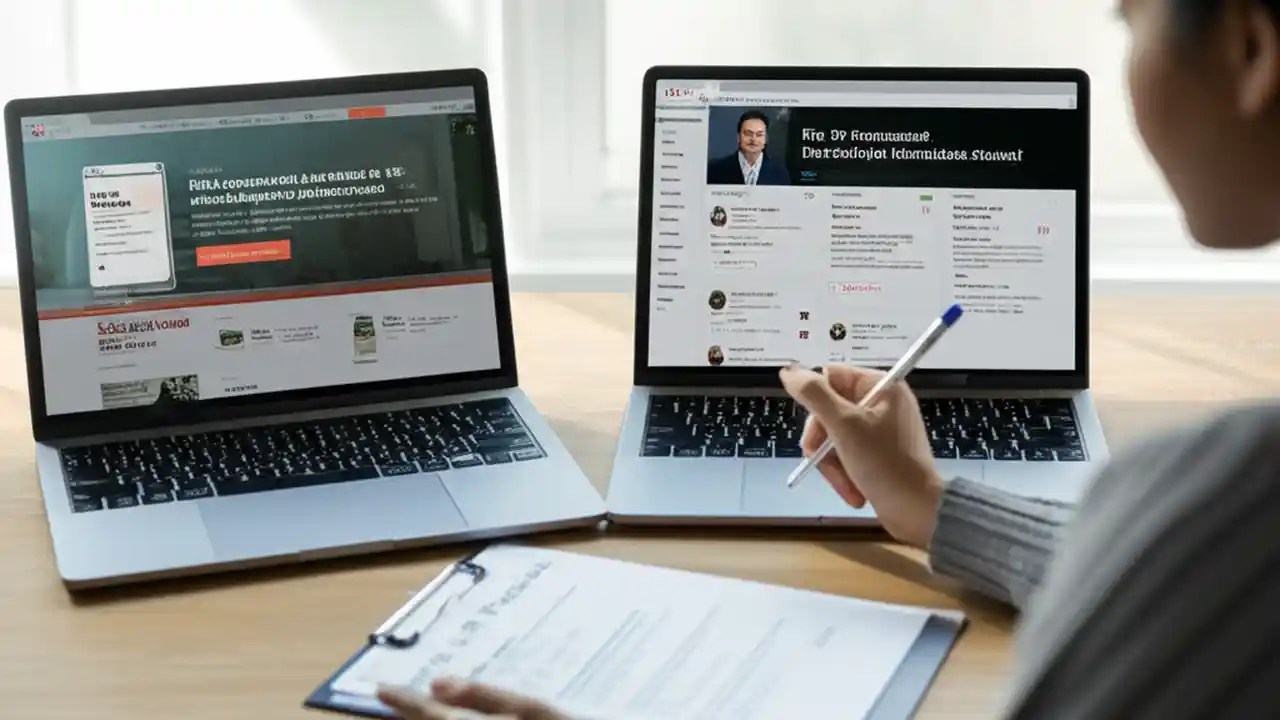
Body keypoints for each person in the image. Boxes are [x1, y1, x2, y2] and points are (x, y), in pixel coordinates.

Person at [376, 0, 1280, 716]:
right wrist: (931, 505)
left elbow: (1191, 567)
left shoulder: (1231, 493)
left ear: (1247, 49)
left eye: (1132, 15)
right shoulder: (1212, 521)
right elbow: (1170, 585)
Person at [706, 110, 791, 185]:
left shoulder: (780, 173)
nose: (753, 139)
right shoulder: (716, 170)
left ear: (766, 139)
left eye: (759, 135)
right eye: (748, 134)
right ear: (738, 137)